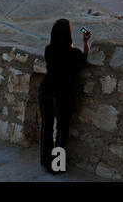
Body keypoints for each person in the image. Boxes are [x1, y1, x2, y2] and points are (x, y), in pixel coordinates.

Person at [38, 19, 91, 174]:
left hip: (44, 92)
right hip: (60, 96)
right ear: (68, 34)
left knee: (46, 128)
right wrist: (85, 42)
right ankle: (56, 167)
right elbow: (85, 61)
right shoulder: (73, 53)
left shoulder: (49, 49)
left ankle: (45, 161)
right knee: (62, 130)